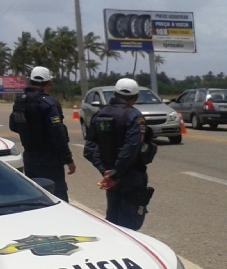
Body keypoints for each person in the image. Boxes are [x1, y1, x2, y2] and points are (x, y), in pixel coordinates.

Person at [83, 78, 156, 230]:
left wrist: (106, 172)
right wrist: (115, 174)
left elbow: (89, 149)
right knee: (130, 222)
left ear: (115, 94)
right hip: (130, 175)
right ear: (135, 98)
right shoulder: (134, 116)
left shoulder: (100, 114)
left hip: (110, 176)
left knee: (113, 220)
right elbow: (132, 148)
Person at [8, 66, 75, 201]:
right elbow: (58, 134)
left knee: (37, 197)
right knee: (57, 196)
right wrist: (68, 159)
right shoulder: (48, 103)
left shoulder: (20, 101)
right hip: (49, 159)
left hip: (30, 158)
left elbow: (13, 126)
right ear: (48, 83)